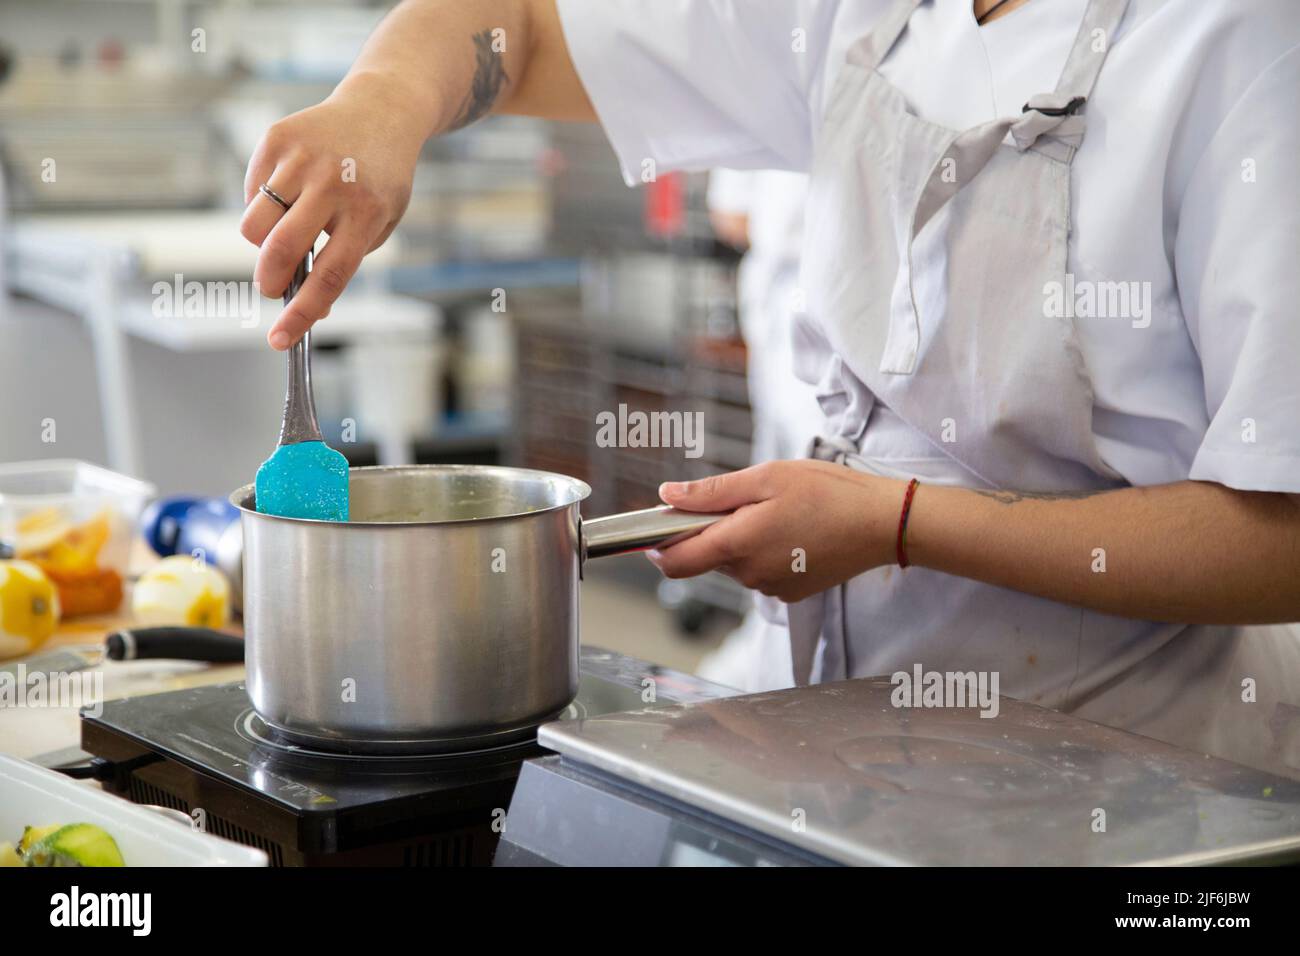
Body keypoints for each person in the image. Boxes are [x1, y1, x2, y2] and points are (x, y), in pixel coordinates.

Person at [240, 0, 1300, 778]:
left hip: (1127, 775)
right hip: (819, 742)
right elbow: (517, 25)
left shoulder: (1242, 43)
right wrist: (384, 96)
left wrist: (900, 524)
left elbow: (1280, 539)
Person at [697, 169, 818, 691]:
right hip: (782, 315)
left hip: (810, 310)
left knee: (809, 490)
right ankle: (769, 641)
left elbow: (733, 217)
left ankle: (789, 651)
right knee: (778, 478)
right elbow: (729, 214)